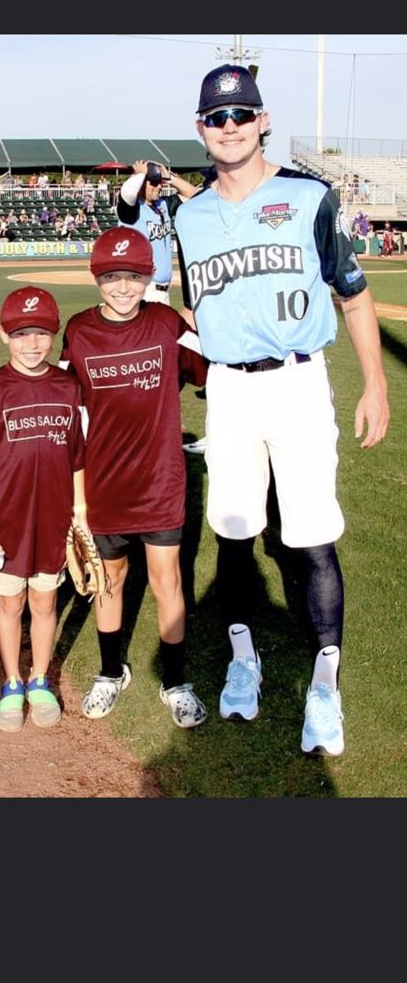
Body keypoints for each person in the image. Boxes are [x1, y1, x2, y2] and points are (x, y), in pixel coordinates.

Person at [174, 62, 390, 757]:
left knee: (312, 536)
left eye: (242, 114)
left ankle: (325, 687)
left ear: (263, 120)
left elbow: (353, 293)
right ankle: (244, 660)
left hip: (298, 383)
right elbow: (198, 307)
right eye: (217, 117)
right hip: (230, 388)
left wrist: (376, 384)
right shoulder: (189, 216)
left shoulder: (308, 196)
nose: (230, 127)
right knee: (234, 532)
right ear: (201, 128)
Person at [60, 226, 208, 729]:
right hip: (104, 484)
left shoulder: (167, 324)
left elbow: (211, 371)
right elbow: (68, 405)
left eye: (133, 276)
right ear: (95, 278)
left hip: (160, 480)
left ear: (149, 278)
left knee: (168, 580)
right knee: (111, 578)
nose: (123, 287)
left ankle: (176, 682)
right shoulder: (80, 331)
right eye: (111, 277)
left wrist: (198, 324)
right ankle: (109, 672)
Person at [0, 286, 87, 732]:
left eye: (41, 333)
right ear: (3, 335)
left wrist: (80, 512)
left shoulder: (68, 387)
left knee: (44, 599)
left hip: (53, 520)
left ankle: (38, 678)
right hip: (6, 522)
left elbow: (78, 457)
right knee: (10, 602)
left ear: (55, 334)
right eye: (21, 334)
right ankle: (12, 681)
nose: (32, 344)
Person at [116, 159, 200, 304]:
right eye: (154, 183)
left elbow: (195, 195)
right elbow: (127, 193)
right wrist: (139, 175)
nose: (159, 186)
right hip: (142, 290)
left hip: (163, 293)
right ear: (141, 185)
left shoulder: (163, 205)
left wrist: (170, 178)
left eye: (160, 182)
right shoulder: (132, 210)